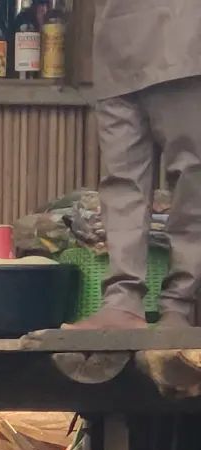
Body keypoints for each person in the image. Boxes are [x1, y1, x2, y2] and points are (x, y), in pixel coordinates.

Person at [70, 0, 201, 330]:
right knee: (121, 182)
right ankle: (122, 301)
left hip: (182, 37)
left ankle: (179, 305)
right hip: (114, 46)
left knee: (190, 176)